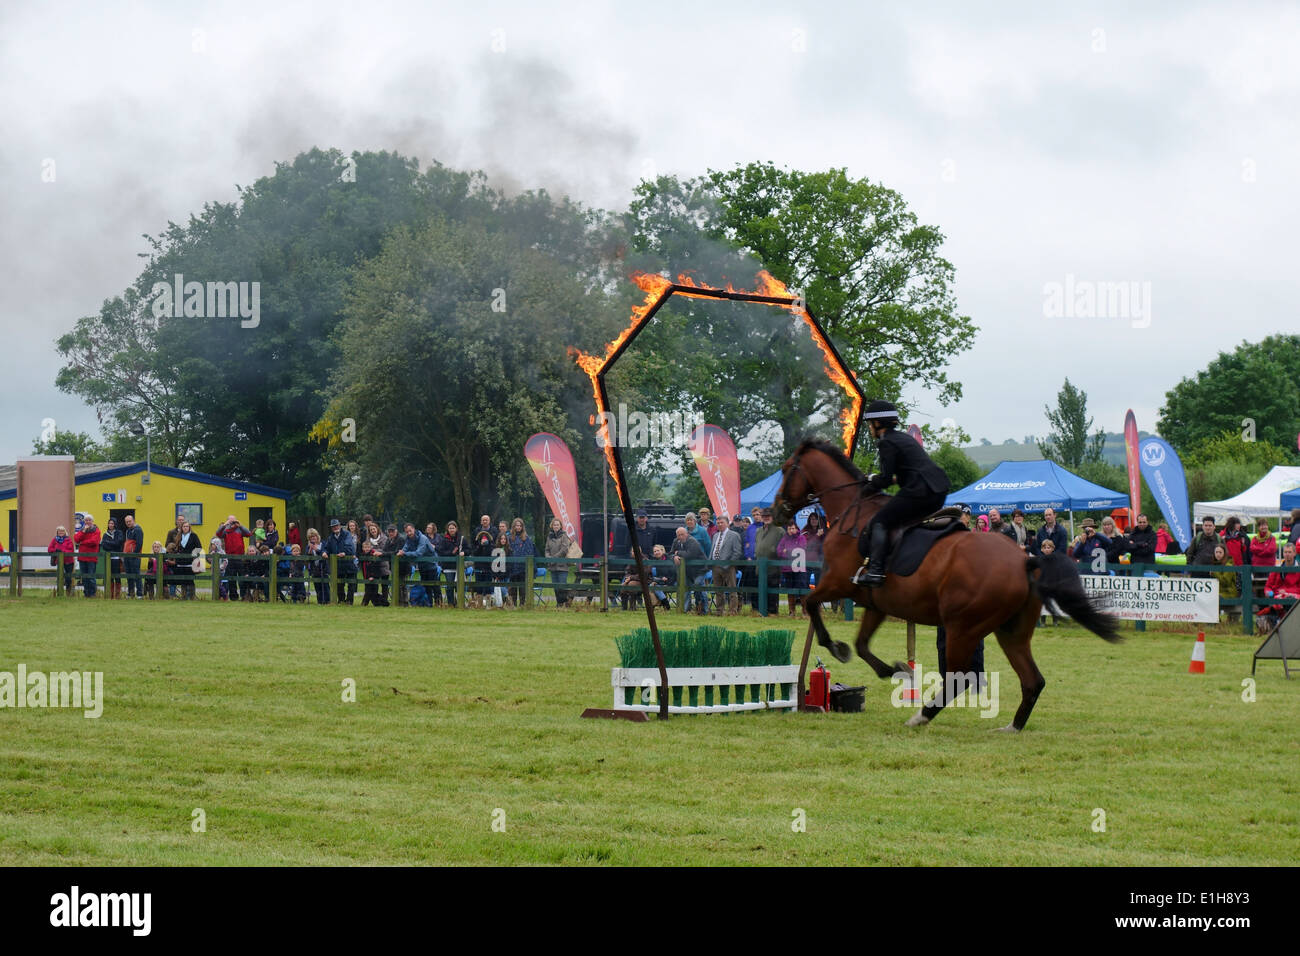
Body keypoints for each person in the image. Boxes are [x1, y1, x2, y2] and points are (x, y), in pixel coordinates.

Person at [858, 401, 951, 587]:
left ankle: (875, 572)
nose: (869, 428)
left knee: (879, 521)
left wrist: (869, 482)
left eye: (870, 424)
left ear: (878, 423)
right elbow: (900, 474)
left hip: (920, 490)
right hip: (938, 489)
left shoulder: (886, 442)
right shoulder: (903, 438)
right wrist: (879, 478)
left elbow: (885, 479)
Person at [1259, 541, 1300, 630]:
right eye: (1285, 552)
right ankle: (1275, 624)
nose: (1287, 554)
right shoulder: (1277, 568)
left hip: (1294, 597)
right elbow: (1268, 586)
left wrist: (1288, 593)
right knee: (1270, 606)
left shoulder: (1299, 569)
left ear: (1294, 553)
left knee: (1290, 601)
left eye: (1289, 552)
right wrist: (1270, 594)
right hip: (1278, 597)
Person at [708, 514, 744, 615]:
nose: (719, 524)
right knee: (718, 590)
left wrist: (729, 563)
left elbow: (737, 552)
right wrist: (710, 561)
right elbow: (713, 549)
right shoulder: (715, 535)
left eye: (722, 522)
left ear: (728, 524)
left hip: (728, 567)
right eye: (718, 523)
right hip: (715, 566)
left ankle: (732, 611)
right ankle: (719, 610)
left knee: (732, 590)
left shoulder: (734, 535)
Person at [670, 525, 707, 613]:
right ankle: (686, 610)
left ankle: (704, 609)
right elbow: (670, 553)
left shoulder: (693, 541)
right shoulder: (676, 541)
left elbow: (690, 555)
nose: (680, 537)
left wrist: (678, 552)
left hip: (699, 570)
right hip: (686, 570)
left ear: (687, 534)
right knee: (685, 589)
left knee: (698, 587)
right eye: (678, 535)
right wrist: (674, 556)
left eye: (682, 534)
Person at [775, 518, 808, 617]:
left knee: (802, 589)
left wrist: (787, 551)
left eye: (793, 528)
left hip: (799, 568)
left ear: (796, 528)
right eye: (789, 529)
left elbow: (801, 550)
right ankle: (792, 611)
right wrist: (789, 552)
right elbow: (779, 551)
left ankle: (805, 611)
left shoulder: (801, 538)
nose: (791, 531)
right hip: (787, 568)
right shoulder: (784, 538)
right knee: (790, 590)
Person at [755, 507, 784, 614]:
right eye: (764, 516)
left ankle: (772, 612)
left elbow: (783, 549)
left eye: (768, 516)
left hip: (773, 568)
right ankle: (762, 611)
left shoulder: (779, 530)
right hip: (760, 567)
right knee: (761, 592)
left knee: (772, 592)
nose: (766, 518)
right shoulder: (758, 531)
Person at [323, 519, 358, 604]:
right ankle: (341, 600)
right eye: (333, 526)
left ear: (339, 526)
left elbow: (349, 546)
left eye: (336, 525)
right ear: (331, 528)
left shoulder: (347, 534)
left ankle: (349, 601)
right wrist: (324, 552)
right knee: (339, 584)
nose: (335, 528)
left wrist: (344, 552)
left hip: (349, 563)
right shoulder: (331, 537)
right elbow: (327, 548)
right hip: (338, 564)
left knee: (351, 583)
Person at [219, 515, 252, 601]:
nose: (233, 523)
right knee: (231, 579)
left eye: (234, 521)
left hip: (240, 557)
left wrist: (240, 525)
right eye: (231, 521)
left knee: (241, 578)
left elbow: (249, 534)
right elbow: (218, 534)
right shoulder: (226, 530)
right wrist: (225, 524)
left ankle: (243, 596)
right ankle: (233, 597)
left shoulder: (239, 529)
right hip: (230, 557)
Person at [544, 518, 573, 607]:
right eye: (554, 525)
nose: (555, 526)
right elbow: (546, 550)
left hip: (562, 566)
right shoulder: (549, 536)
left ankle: (565, 603)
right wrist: (549, 558)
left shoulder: (564, 536)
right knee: (555, 587)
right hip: (552, 566)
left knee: (561, 586)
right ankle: (559, 603)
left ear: (560, 526)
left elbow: (564, 550)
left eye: (557, 525)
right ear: (552, 526)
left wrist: (554, 558)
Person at [439, 522, 467, 607]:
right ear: (447, 529)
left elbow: (469, 549)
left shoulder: (461, 539)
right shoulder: (444, 540)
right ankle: (451, 604)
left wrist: (464, 552)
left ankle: (460, 603)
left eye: (453, 528)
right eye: (450, 528)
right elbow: (441, 551)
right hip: (448, 567)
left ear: (456, 528)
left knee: (459, 586)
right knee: (450, 586)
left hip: (459, 566)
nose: (451, 530)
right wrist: (452, 552)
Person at [509, 518, 535, 607]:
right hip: (512, 567)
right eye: (516, 525)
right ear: (514, 526)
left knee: (522, 587)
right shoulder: (510, 538)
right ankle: (513, 604)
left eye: (520, 525)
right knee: (513, 588)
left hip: (522, 567)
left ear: (522, 527)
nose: (518, 527)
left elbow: (530, 551)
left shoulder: (527, 538)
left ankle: (522, 604)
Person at [1212, 544, 1241, 623]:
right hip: (1219, 592)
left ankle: (1215, 621)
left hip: (1229, 592)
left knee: (1214, 599)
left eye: (1220, 552)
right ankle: (1214, 621)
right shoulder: (1214, 564)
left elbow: (1225, 582)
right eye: (1216, 552)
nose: (1218, 554)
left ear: (1224, 553)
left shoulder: (1229, 565)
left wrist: (1214, 573)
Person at [74, 513, 101, 597]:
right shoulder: (82, 530)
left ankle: (93, 593)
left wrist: (83, 543)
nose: (88, 522)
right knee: (84, 577)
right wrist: (83, 532)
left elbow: (94, 542)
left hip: (91, 557)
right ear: (84, 522)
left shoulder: (96, 530)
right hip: (82, 557)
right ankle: (86, 593)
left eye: (89, 520)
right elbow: (76, 539)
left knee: (91, 577)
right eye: (86, 520)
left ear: (92, 521)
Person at [1250, 519, 1278, 594]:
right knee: (1258, 587)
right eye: (1262, 525)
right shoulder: (1254, 539)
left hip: (1269, 567)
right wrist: (1264, 549)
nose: (1264, 527)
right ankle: (1259, 604)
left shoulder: (1272, 538)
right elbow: (1252, 548)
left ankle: (1269, 602)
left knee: (1269, 586)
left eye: (1265, 525)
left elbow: (1271, 550)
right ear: (1258, 527)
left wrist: (1259, 551)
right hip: (1257, 567)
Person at [175, 519, 201, 599]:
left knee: (190, 580)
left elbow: (198, 547)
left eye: (187, 526)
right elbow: (176, 547)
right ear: (181, 527)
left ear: (189, 527)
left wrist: (193, 556)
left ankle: (192, 596)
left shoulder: (193, 536)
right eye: (184, 526)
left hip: (190, 561)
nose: (185, 528)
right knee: (183, 580)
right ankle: (183, 596)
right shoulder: (178, 536)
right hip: (181, 561)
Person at [122, 514, 145, 598]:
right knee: (129, 575)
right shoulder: (128, 531)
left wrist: (134, 554)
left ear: (133, 521)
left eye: (129, 521)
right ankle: (130, 593)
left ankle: (139, 594)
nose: (128, 523)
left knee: (136, 575)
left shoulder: (138, 530)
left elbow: (139, 544)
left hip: (134, 557)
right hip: (127, 556)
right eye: (126, 522)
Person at [102, 517, 125, 599]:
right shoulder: (105, 534)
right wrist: (112, 544)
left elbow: (118, 543)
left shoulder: (119, 533)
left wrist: (109, 543)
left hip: (117, 558)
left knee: (117, 576)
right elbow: (104, 546)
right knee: (109, 576)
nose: (111, 525)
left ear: (115, 524)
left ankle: (118, 595)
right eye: (109, 523)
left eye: (112, 523)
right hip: (108, 558)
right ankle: (111, 595)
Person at [47, 525, 75, 594]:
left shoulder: (68, 540)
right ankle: (59, 591)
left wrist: (62, 551)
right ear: (57, 532)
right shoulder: (54, 540)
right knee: (60, 576)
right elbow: (49, 549)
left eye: (62, 531)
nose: (61, 532)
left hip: (68, 561)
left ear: (65, 532)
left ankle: (68, 592)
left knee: (68, 578)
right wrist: (56, 550)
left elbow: (71, 550)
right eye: (59, 531)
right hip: (59, 561)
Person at [305, 529, 328, 604]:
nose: (313, 538)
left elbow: (324, 552)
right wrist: (310, 550)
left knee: (325, 586)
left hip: (323, 567)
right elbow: (307, 557)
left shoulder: (323, 543)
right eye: (311, 537)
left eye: (314, 536)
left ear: (317, 536)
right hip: (314, 568)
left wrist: (316, 549)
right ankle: (320, 601)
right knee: (317, 586)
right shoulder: (308, 546)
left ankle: (327, 601)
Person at [804, 511, 826, 586]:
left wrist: (823, 535)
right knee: (805, 583)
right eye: (812, 519)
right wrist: (817, 535)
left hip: (819, 562)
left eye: (816, 519)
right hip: (807, 561)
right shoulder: (805, 531)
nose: (814, 521)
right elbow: (807, 545)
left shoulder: (823, 531)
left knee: (818, 583)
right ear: (809, 520)